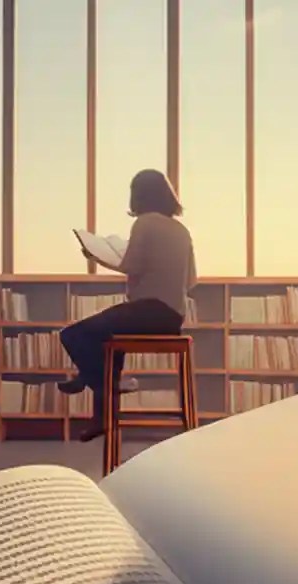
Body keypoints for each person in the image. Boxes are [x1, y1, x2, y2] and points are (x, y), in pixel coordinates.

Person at [59, 169, 196, 442]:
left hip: (148, 310)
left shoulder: (144, 223)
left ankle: (99, 383)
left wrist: (97, 257)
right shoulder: (182, 231)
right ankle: (100, 405)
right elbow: (191, 280)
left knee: (73, 334)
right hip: (173, 318)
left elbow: (131, 265)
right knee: (107, 340)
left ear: (139, 196)